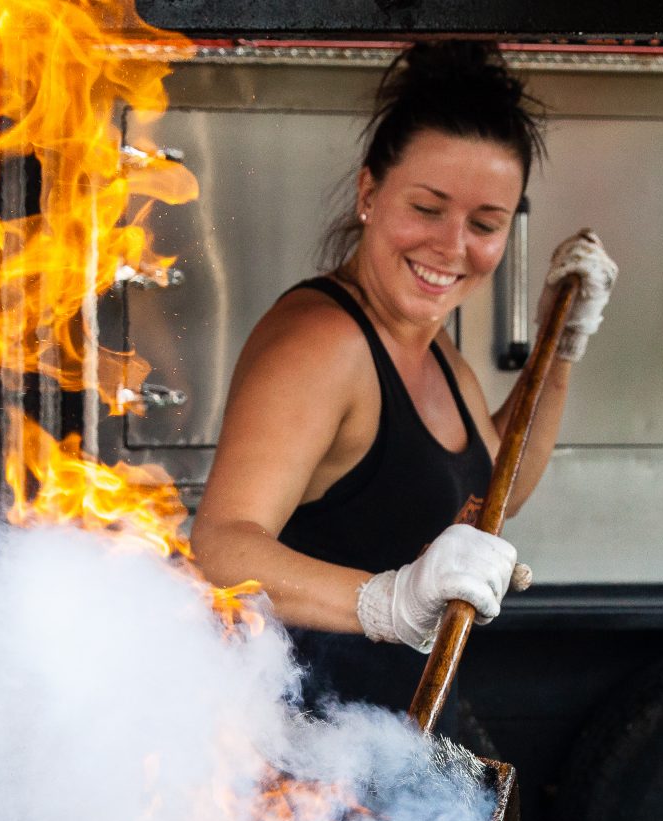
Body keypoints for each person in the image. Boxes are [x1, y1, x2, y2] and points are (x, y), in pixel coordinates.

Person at [189, 42, 618, 730]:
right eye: (427, 208)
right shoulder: (323, 343)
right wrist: (386, 601)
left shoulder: (432, 346)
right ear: (369, 194)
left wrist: (561, 345)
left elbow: (496, 493)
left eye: (485, 224)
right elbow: (221, 547)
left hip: (394, 739)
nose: (453, 246)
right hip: (302, 748)